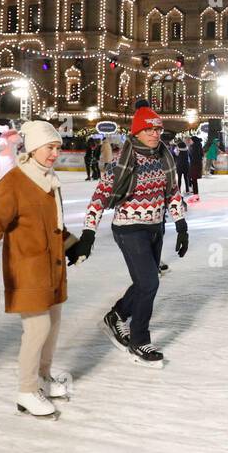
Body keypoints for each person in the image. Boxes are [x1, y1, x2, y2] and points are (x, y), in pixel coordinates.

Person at [0, 121, 80, 420]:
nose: (55, 153)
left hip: (51, 266)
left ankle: (43, 377)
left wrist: (71, 245)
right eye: (50, 147)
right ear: (32, 149)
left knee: (53, 323)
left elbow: (51, 223)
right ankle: (27, 390)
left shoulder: (48, 178)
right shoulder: (15, 182)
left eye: (58, 147)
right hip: (27, 266)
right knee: (37, 328)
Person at [70, 106, 188, 367]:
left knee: (145, 281)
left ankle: (116, 316)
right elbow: (98, 199)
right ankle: (139, 340)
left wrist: (181, 225)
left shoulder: (164, 157)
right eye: (148, 129)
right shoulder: (121, 163)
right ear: (137, 131)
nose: (155, 134)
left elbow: (173, 193)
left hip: (156, 227)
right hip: (129, 228)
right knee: (149, 284)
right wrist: (88, 234)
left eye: (157, 129)